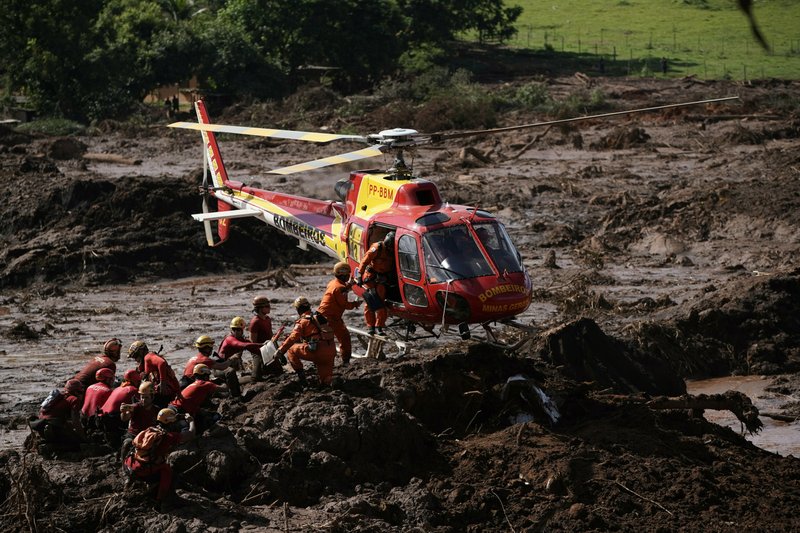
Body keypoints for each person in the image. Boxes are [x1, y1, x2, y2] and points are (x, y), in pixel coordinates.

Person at [123, 407, 195, 511]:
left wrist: (179, 416)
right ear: (171, 422)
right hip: (146, 470)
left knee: (159, 465)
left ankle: (132, 483)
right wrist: (191, 421)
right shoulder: (169, 436)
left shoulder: (151, 429)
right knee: (170, 473)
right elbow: (191, 434)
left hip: (131, 465)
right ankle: (163, 502)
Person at [275, 296, 336, 386]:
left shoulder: (303, 321)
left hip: (319, 351)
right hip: (331, 351)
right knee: (325, 380)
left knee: (291, 350)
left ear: (298, 309)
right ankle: (332, 382)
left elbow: (293, 338)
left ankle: (302, 378)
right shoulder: (319, 317)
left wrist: (280, 351)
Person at [318, 262, 360, 366]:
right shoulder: (340, 288)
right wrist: (355, 304)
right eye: (348, 274)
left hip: (322, 316)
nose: (348, 276)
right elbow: (344, 304)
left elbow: (342, 290)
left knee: (324, 340)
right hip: (330, 318)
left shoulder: (333, 283)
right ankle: (345, 362)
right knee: (344, 338)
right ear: (343, 274)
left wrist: (350, 285)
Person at [30, 379, 86, 454]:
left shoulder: (59, 397)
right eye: (80, 392)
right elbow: (75, 420)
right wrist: (83, 437)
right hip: (53, 426)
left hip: (41, 425)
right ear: (76, 392)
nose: (82, 395)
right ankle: (50, 447)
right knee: (77, 444)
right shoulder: (74, 399)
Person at [356, 231, 395, 335]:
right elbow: (365, 260)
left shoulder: (394, 251)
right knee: (370, 302)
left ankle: (379, 326)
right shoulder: (377, 248)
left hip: (382, 279)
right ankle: (370, 326)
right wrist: (359, 275)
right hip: (371, 278)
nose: (389, 249)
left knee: (381, 303)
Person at [170, 364, 223, 435]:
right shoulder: (204, 384)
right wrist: (223, 381)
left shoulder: (192, 384)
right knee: (213, 417)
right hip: (180, 412)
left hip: (173, 409)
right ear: (205, 375)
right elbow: (224, 389)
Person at [218, 317, 263, 397]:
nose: (236, 332)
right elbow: (242, 345)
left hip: (229, 367)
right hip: (220, 368)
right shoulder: (230, 339)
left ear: (242, 330)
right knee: (232, 374)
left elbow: (254, 349)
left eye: (238, 330)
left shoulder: (241, 339)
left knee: (248, 377)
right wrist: (261, 344)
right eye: (234, 329)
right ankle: (234, 395)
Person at [128, 341, 180, 408]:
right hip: (165, 393)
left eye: (135, 356)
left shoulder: (148, 357)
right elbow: (172, 376)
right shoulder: (146, 362)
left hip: (164, 394)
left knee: (137, 401)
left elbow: (162, 363)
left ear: (141, 353)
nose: (135, 360)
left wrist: (162, 383)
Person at [99, 369, 142, 447]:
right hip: (112, 419)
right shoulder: (133, 390)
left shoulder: (118, 388)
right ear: (136, 381)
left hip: (101, 417)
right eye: (138, 381)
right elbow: (142, 405)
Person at [120, 381, 159, 460]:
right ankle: (123, 462)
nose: (143, 400)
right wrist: (123, 412)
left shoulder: (156, 410)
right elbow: (124, 418)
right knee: (127, 443)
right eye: (142, 397)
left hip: (147, 437)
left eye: (146, 397)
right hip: (134, 435)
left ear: (152, 397)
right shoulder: (136, 407)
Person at [81, 367, 115, 432]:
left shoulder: (90, 387)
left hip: (83, 418)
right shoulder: (108, 391)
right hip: (95, 421)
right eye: (112, 378)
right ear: (108, 379)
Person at [248, 295, 273, 380]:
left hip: (268, 348)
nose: (269, 308)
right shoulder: (255, 322)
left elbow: (271, 335)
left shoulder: (268, 319)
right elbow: (252, 342)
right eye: (267, 306)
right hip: (258, 350)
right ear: (260, 308)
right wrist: (262, 355)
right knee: (255, 378)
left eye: (269, 305)